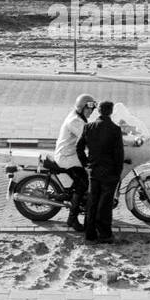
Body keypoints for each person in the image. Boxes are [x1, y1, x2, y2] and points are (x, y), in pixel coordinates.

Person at [77, 100, 125, 243]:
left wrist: (86, 164)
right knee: (105, 205)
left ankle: (90, 234)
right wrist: (118, 172)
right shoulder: (115, 129)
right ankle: (105, 234)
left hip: (94, 171)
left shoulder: (89, 127)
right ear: (111, 112)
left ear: (98, 111)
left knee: (92, 202)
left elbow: (79, 148)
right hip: (109, 172)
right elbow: (119, 154)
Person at [55, 93, 96, 232]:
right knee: (84, 183)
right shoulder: (75, 121)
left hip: (72, 155)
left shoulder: (79, 118)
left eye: (92, 109)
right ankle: (72, 219)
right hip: (67, 157)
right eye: (88, 108)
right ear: (81, 107)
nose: (90, 111)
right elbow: (89, 137)